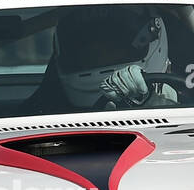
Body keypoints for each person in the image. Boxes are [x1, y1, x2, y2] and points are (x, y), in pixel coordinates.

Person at [21, 6, 179, 115]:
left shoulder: (192, 100)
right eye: (89, 49)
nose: (101, 54)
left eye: (113, 47)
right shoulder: (43, 111)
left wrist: (161, 107)